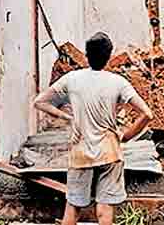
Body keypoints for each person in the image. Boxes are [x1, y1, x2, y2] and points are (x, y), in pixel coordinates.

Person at [33, 32, 154, 225]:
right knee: (104, 212)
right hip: (110, 152)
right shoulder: (118, 82)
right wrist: (126, 136)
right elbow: (147, 114)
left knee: (72, 209)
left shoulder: (72, 79)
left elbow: (40, 102)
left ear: (87, 55)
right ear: (109, 57)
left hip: (80, 153)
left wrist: (66, 117)